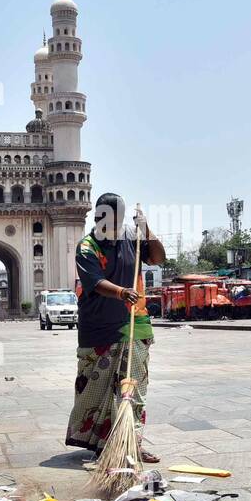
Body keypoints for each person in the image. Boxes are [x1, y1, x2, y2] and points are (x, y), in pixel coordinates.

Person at [65, 192, 167, 462]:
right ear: (97, 216)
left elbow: (157, 258)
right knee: (95, 391)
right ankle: (103, 443)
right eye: (103, 219)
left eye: (116, 221)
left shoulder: (131, 238)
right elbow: (95, 282)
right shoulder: (87, 246)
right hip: (99, 328)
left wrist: (146, 230)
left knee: (133, 388)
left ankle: (131, 442)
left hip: (135, 323)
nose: (109, 225)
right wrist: (122, 292)